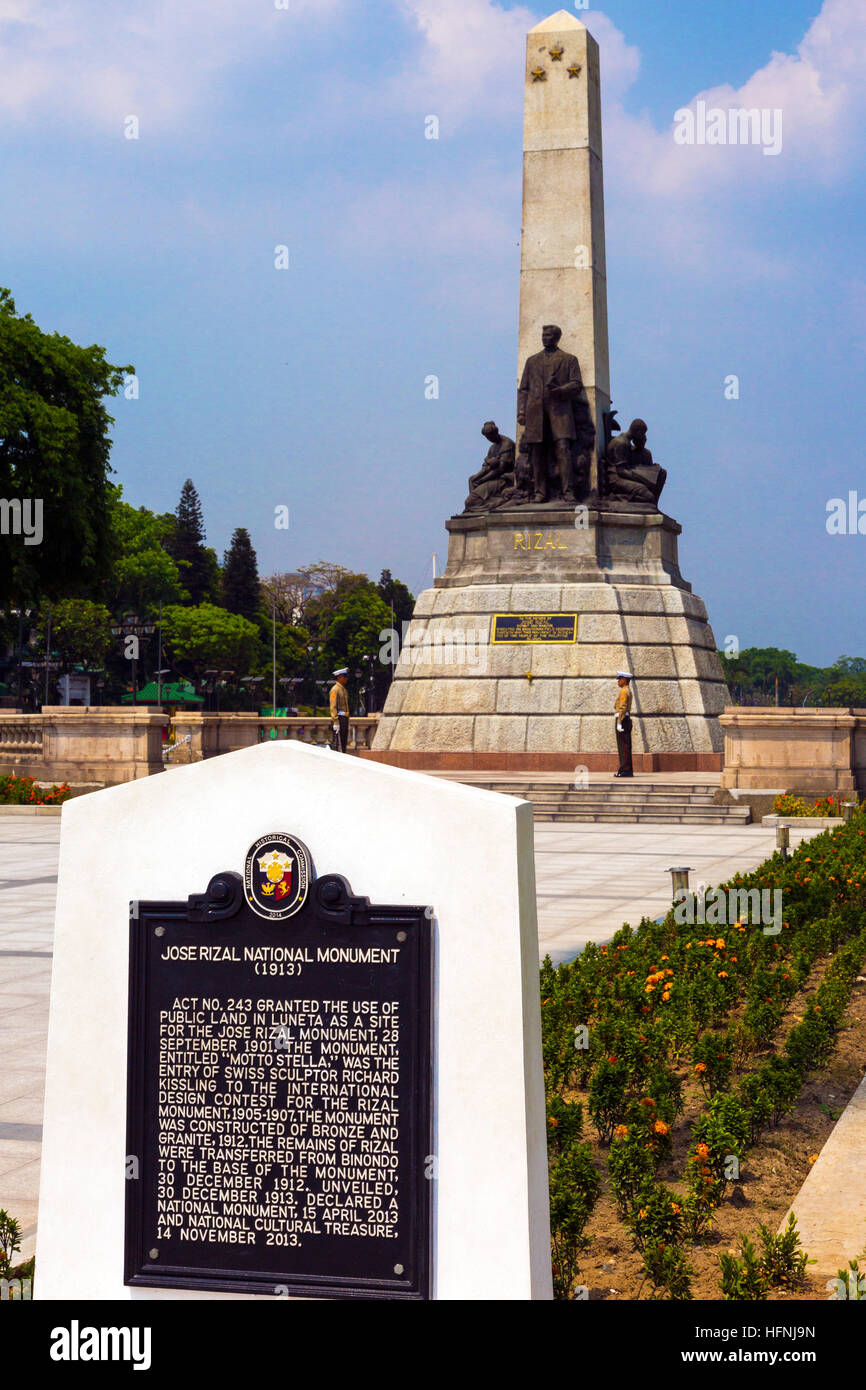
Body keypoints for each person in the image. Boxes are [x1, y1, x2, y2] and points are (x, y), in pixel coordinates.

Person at [516, 324, 592, 504]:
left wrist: (560, 391)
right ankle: (539, 492)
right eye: (543, 335)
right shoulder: (532, 360)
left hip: (560, 412)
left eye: (548, 335)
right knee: (537, 453)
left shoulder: (568, 359)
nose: (544, 338)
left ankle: (568, 491)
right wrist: (521, 412)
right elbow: (523, 389)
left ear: (556, 338)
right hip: (535, 413)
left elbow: (576, 384)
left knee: (563, 450)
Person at [614, 670, 633, 777]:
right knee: (624, 746)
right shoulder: (626, 690)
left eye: (620, 679)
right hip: (624, 719)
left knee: (624, 746)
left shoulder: (624, 691)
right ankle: (625, 769)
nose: (618, 681)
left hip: (623, 719)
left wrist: (619, 722)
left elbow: (622, 707)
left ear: (624, 680)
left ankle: (626, 770)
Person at [329, 667, 350, 753]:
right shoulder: (335, 690)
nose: (346, 679)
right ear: (340, 677)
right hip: (339, 718)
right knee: (337, 744)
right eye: (345, 677)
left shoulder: (343, 689)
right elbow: (333, 706)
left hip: (344, 718)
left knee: (343, 742)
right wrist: (336, 721)